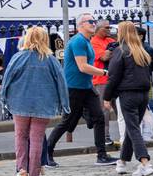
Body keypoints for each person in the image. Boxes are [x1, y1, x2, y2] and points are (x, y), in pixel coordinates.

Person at [0, 26, 68, 176]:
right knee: (36, 139)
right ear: (45, 39)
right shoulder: (50, 60)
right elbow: (61, 82)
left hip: (19, 102)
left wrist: (3, 98)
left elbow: (7, 78)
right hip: (43, 104)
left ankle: (21, 169)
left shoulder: (18, 57)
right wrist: (64, 104)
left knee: (20, 136)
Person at [46, 13, 115, 166]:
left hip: (86, 87)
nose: (93, 23)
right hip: (73, 88)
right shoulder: (78, 41)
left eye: (94, 21)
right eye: (90, 21)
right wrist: (105, 72)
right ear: (81, 25)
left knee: (99, 118)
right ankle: (47, 153)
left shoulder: (87, 41)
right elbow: (82, 67)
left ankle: (101, 155)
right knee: (68, 123)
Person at [103, 21, 153, 176]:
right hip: (143, 95)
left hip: (128, 95)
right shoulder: (142, 51)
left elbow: (113, 77)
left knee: (133, 129)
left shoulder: (121, 52)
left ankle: (145, 162)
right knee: (131, 128)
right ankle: (122, 161)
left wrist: (107, 97)